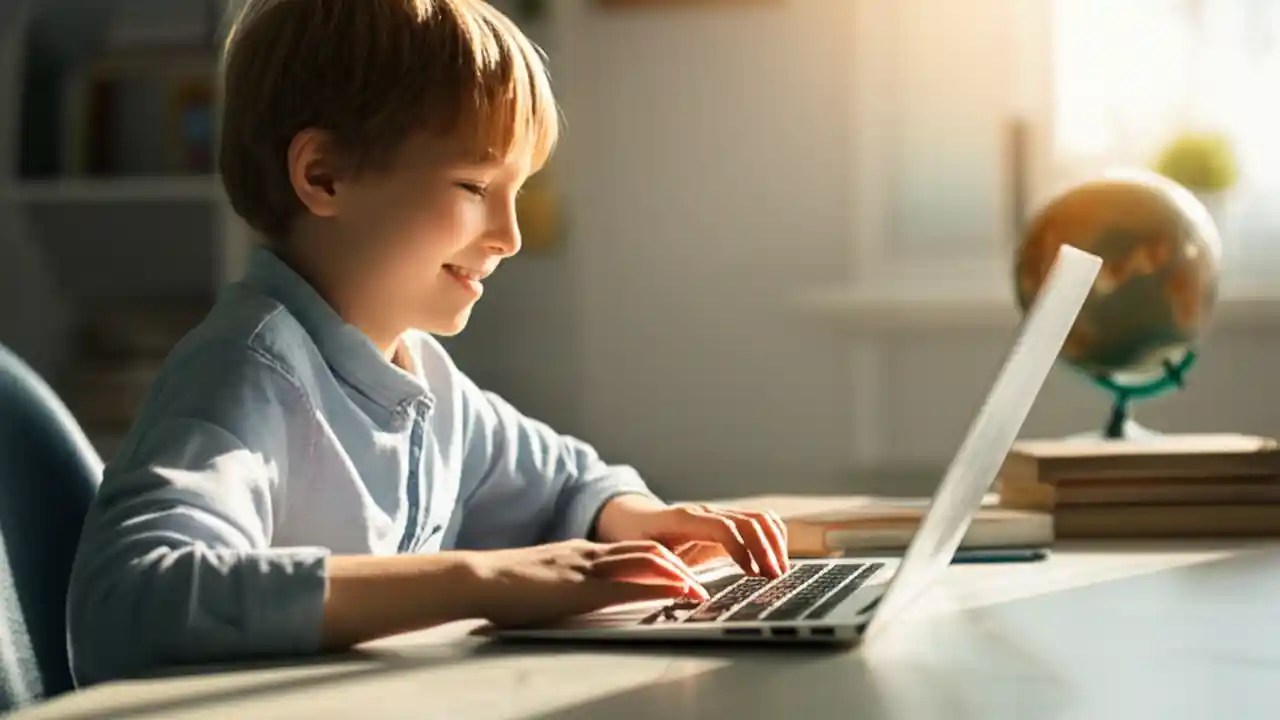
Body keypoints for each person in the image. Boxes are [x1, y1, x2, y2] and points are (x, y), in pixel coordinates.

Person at [66, 0, 789, 686]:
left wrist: (633, 517)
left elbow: (565, 480)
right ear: (324, 176)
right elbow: (132, 599)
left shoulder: (419, 375)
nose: (508, 237)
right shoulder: (246, 371)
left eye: (518, 189)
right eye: (475, 184)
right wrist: (480, 581)